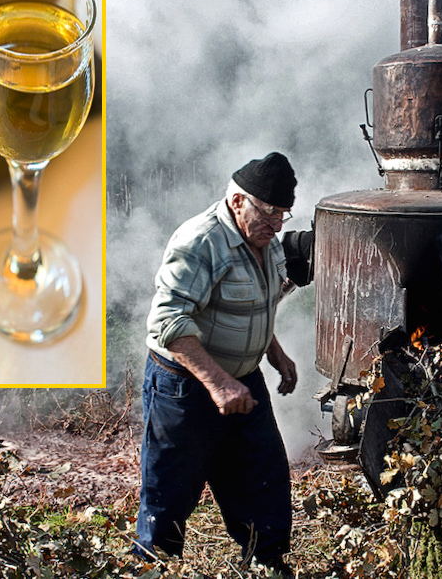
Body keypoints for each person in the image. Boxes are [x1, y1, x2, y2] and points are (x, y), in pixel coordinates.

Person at [136, 152, 300, 575]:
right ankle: (154, 566)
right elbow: (169, 322)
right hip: (186, 386)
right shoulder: (201, 241)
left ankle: (266, 565)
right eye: (269, 213)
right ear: (238, 200)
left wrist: (273, 350)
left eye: (284, 214)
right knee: (170, 492)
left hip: (243, 380)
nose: (277, 225)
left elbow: (254, 303)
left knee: (264, 479)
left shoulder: (264, 239)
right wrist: (218, 383)